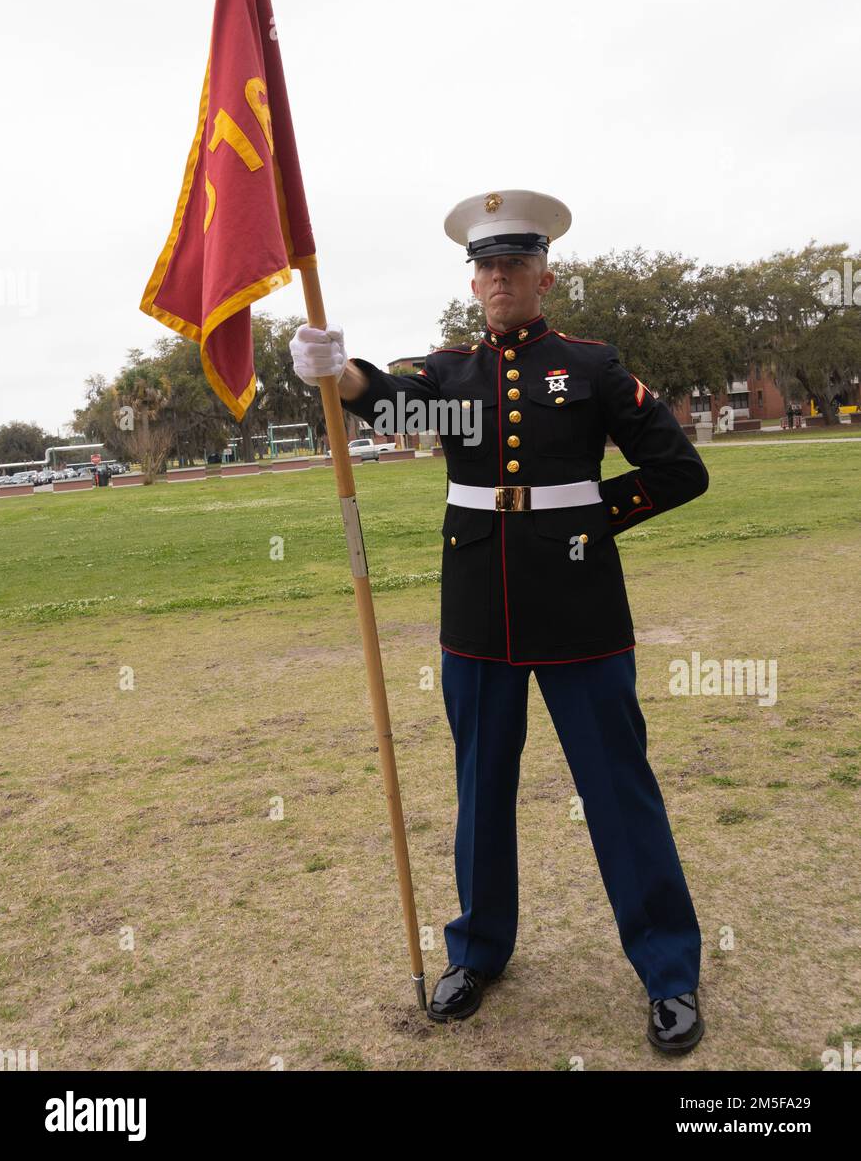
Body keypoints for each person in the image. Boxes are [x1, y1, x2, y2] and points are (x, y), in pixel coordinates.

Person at [289, 189, 710, 1054]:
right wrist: (341, 371)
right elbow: (398, 406)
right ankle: (478, 952)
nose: (499, 276)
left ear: (544, 277)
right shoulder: (453, 377)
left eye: (514, 262)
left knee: (618, 792)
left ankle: (669, 970)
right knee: (480, 789)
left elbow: (679, 470)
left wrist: (594, 518)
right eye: (485, 265)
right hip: (477, 611)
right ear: (473, 283)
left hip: (579, 606)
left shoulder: (591, 367)